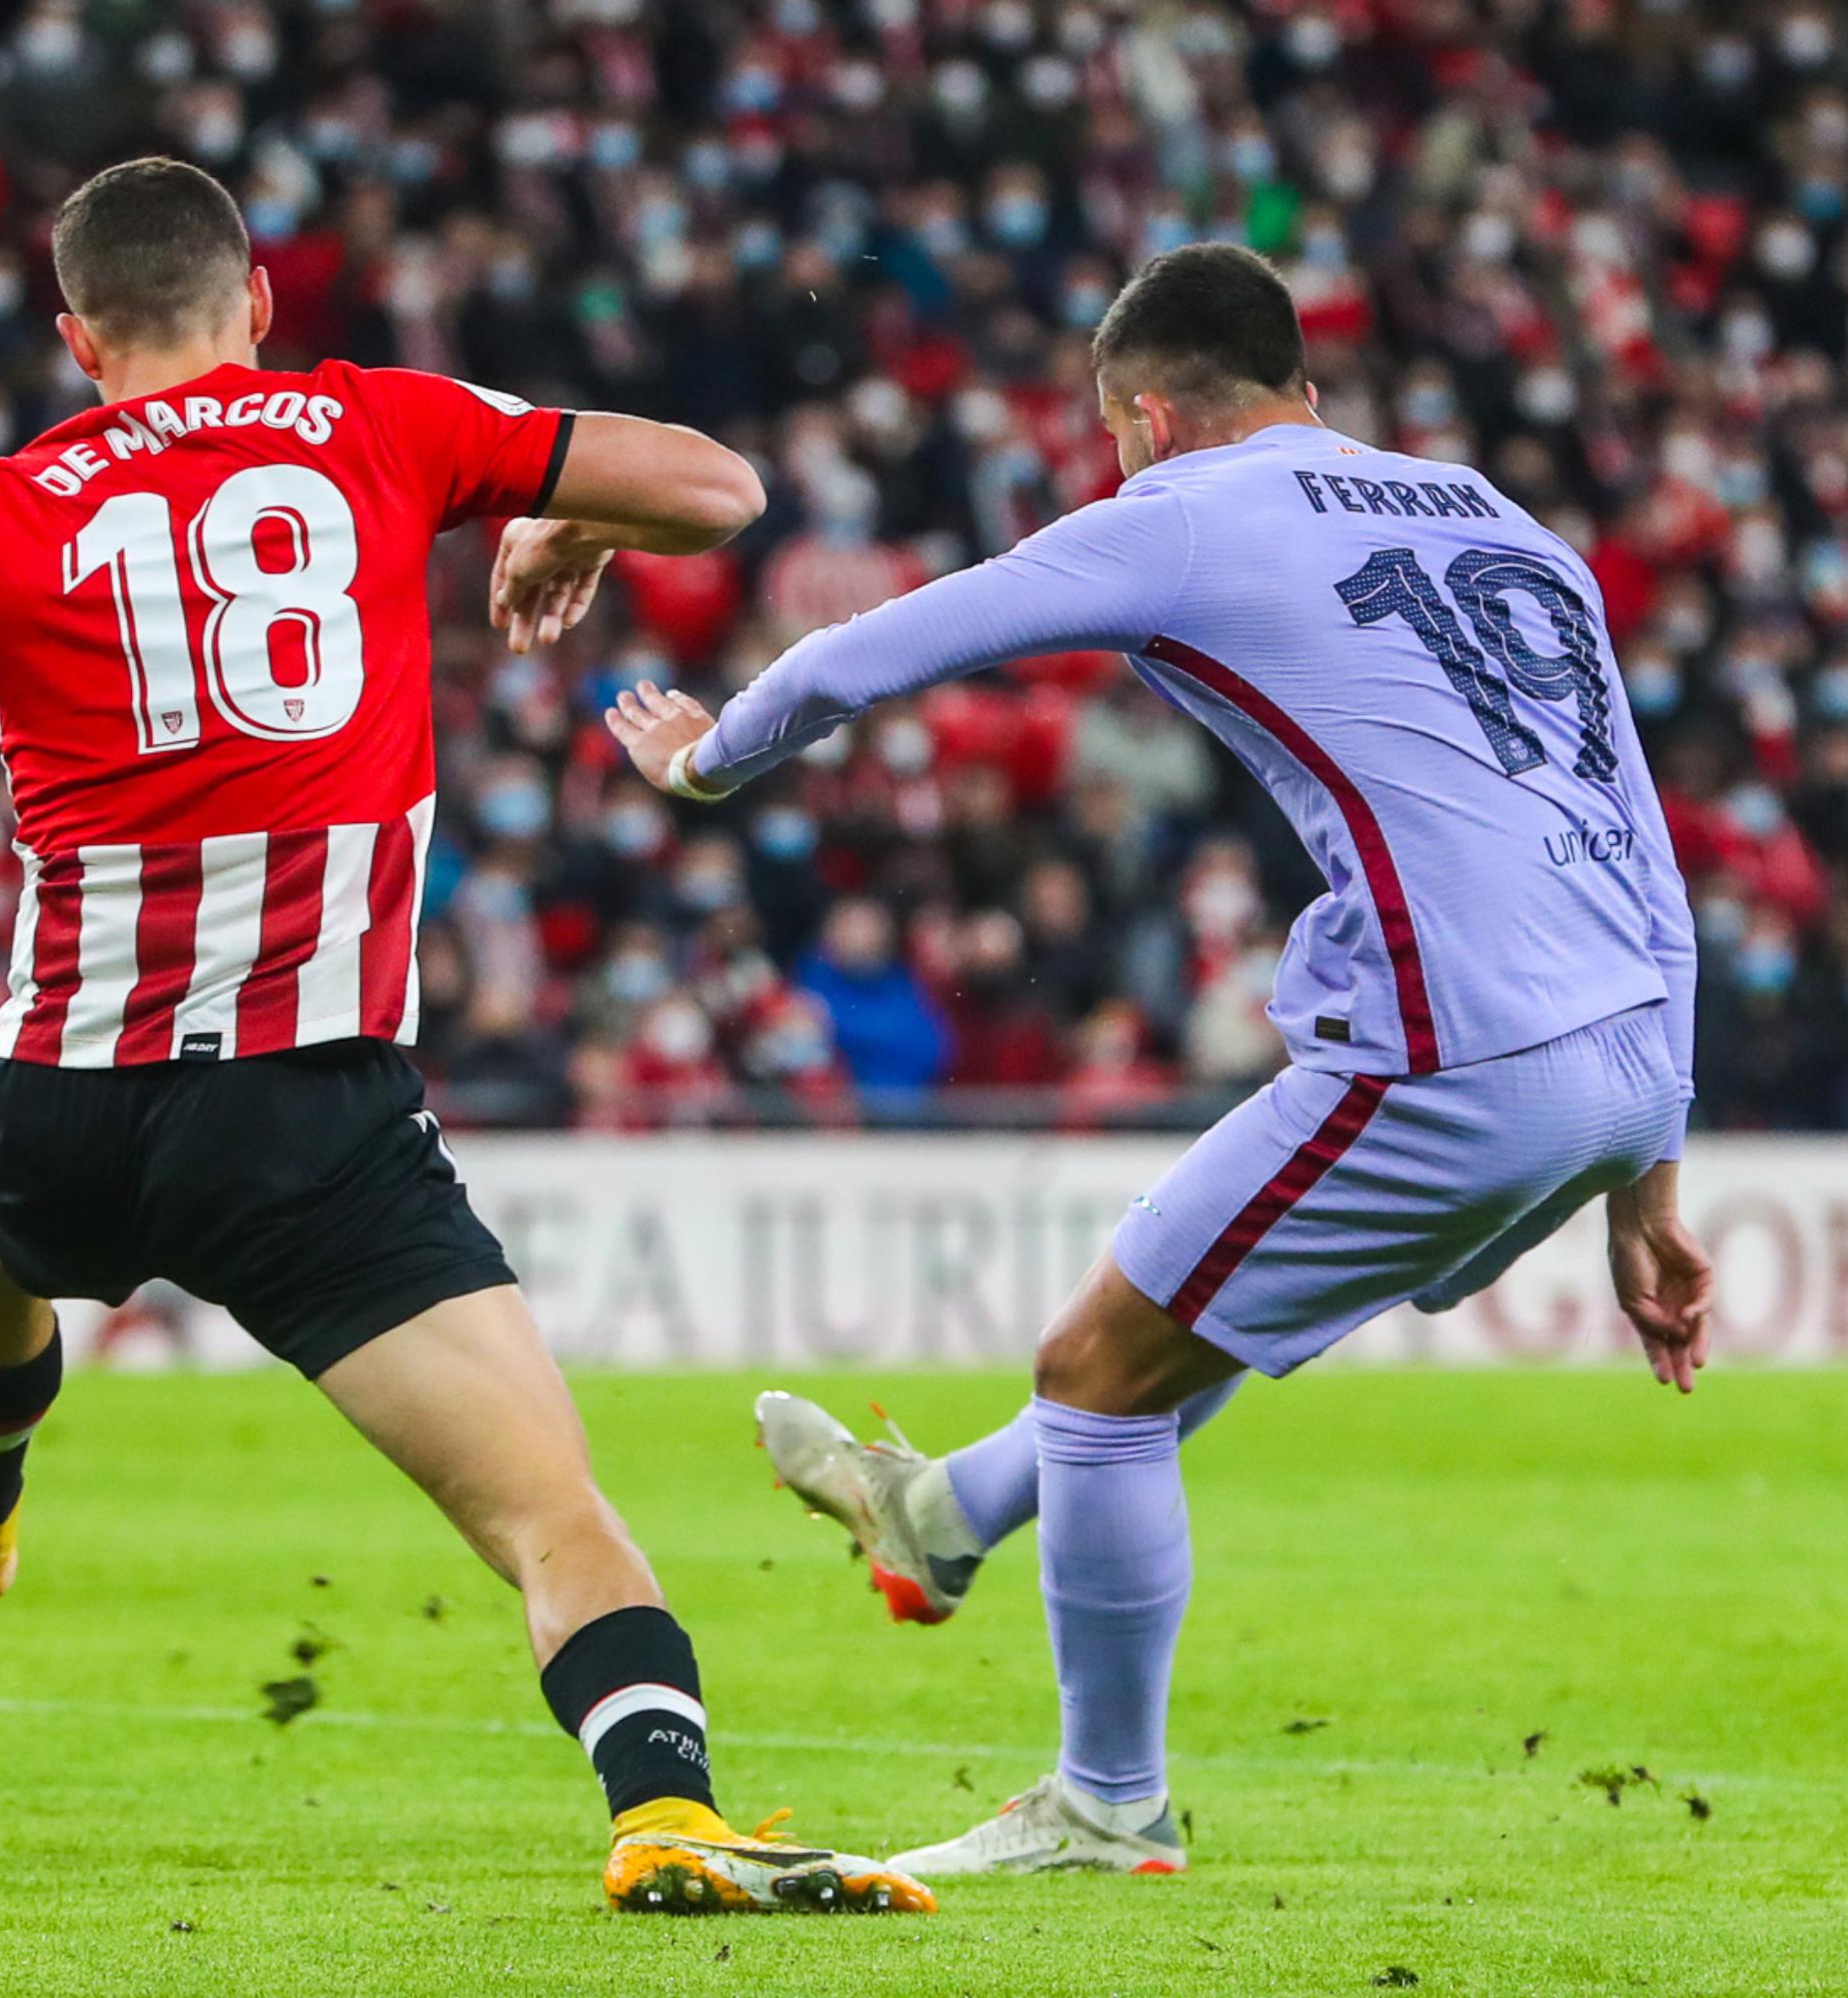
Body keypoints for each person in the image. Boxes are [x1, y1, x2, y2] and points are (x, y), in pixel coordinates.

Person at [0, 157, 931, 1918]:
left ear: (71, 333)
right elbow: (718, 488)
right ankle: (664, 1819)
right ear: (256, 298)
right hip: (306, 1119)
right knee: (547, 1514)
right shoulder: (378, 425)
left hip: (62, 1101)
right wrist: (562, 518)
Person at [602, 244, 1717, 1878]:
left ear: (1139, 417)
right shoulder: (1497, 517)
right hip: (1616, 1051)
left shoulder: (1182, 507)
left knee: (1096, 1377)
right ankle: (949, 1518)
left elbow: (867, 649)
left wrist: (703, 761)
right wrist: (1651, 1175)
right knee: (1181, 1334)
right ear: (1307, 393)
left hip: (1455, 1045)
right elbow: (1636, 833)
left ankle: (1103, 1800)